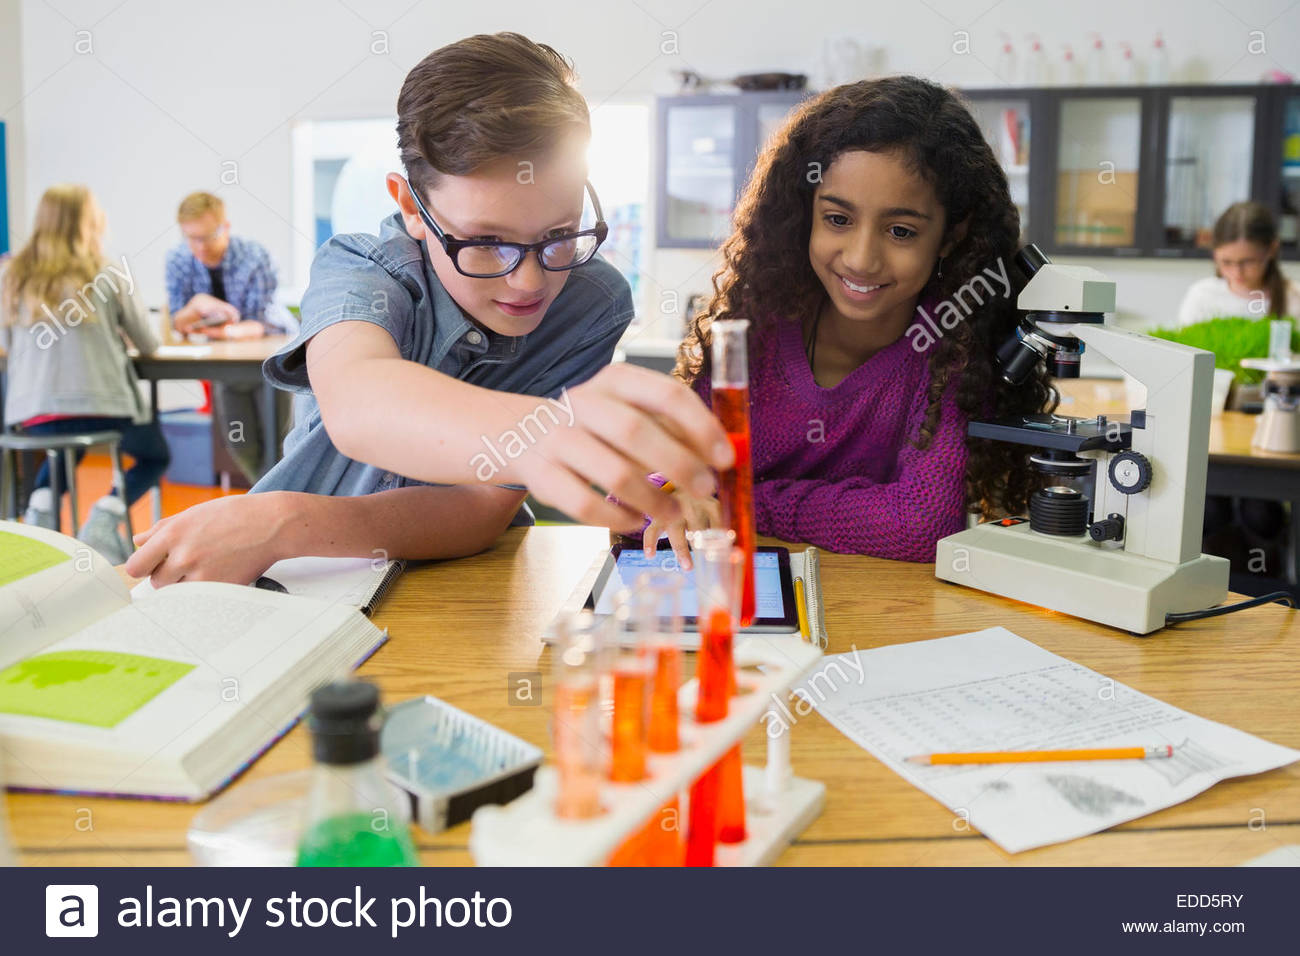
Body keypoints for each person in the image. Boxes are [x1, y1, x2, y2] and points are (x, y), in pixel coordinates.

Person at [125, 33, 728, 587]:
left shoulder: (591, 302)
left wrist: (291, 524)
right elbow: (363, 403)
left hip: (453, 589)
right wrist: (542, 435)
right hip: (290, 577)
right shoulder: (364, 269)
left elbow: (479, 507)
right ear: (411, 206)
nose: (529, 279)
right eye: (486, 242)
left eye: (559, 232)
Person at [643, 76, 1054, 562]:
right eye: (838, 219)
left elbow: (919, 525)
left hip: (877, 612)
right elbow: (650, 489)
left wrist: (737, 505)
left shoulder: (953, 351)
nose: (861, 259)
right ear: (805, 212)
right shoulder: (756, 330)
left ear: (949, 237)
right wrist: (669, 499)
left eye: (900, 231)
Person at [1, 184, 170, 562]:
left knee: (63, 449)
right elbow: (147, 343)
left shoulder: (11, 275)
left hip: (33, 413)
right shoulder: (108, 272)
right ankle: (104, 520)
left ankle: (39, 513)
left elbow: (7, 343)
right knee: (154, 456)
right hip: (103, 406)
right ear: (90, 222)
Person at [165, 191, 293, 484]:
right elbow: (178, 321)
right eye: (191, 238)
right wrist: (197, 304)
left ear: (226, 227)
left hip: (267, 366)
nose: (199, 247)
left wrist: (229, 331)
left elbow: (267, 321)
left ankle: (268, 506)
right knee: (240, 443)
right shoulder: (178, 259)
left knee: (278, 447)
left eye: (207, 237)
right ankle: (265, 501)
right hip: (225, 369)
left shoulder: (255, 256)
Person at [1178, 201, 1300, 325]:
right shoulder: (1202, 296)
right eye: (1226, 262)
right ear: (1215, 254)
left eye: (1248, 262)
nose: (1237, 272)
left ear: (1272, 250)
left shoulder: (1295, 299)